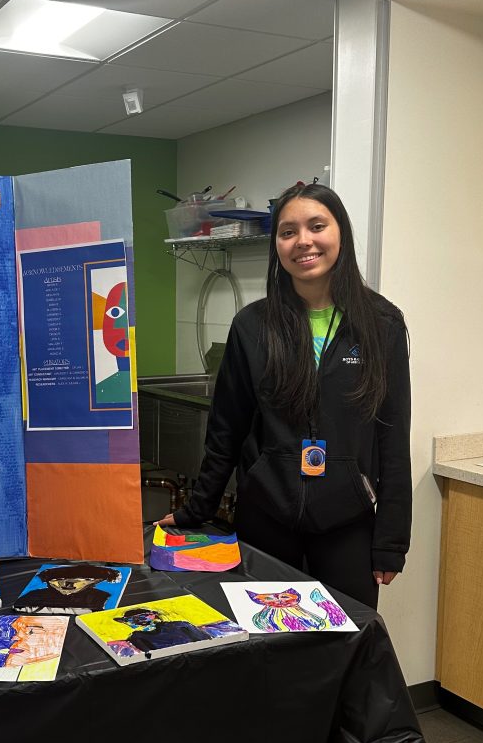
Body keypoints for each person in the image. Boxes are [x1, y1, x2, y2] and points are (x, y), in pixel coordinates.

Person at [157, 182, 411, 609]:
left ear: (340, 234)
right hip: (267, 518)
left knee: (341, 648)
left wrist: (391, 540)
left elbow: (393, 437)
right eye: (288, 231)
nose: (303, 241)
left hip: (349, 524)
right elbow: (226, 431)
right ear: (277, 244)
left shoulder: (381, 323)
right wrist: (194, 510)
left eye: (316, 226)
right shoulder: (252, 327)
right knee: (270, 650)